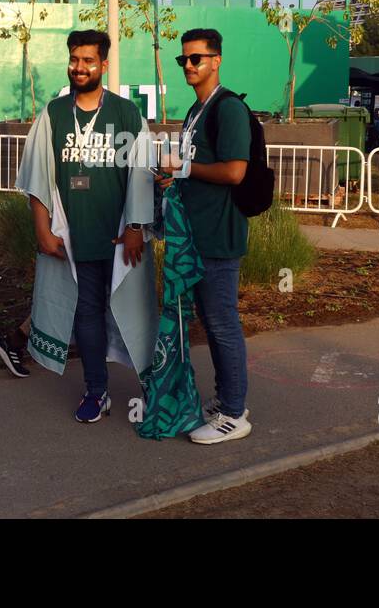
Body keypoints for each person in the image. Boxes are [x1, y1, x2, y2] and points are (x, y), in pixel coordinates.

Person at [12, 29, 157, 422]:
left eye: (89, 60)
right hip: (76, 239)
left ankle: (156, 391)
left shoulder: (125, 113)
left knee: (137, 310)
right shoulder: (55, 113)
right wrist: (43, 230)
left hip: (120, 239)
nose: (80, 67)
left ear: (103, 65)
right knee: (87, 315)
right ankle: (98, 391)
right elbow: (38, 175)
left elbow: (141, 172)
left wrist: (135, 227)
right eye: (75, 59)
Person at [155, 27, 253, 445]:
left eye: (197, 59)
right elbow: (195, 169)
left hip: (219, 235)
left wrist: (184, 170)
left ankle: (235, 413)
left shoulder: (227, 108)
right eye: (184, 60)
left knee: (222, 323)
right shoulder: (196, 111)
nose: (189, 66)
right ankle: (227, 401)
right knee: (212, 325)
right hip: (196, 235)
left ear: (216, 60)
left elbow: (235, 171)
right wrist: (171, 179)